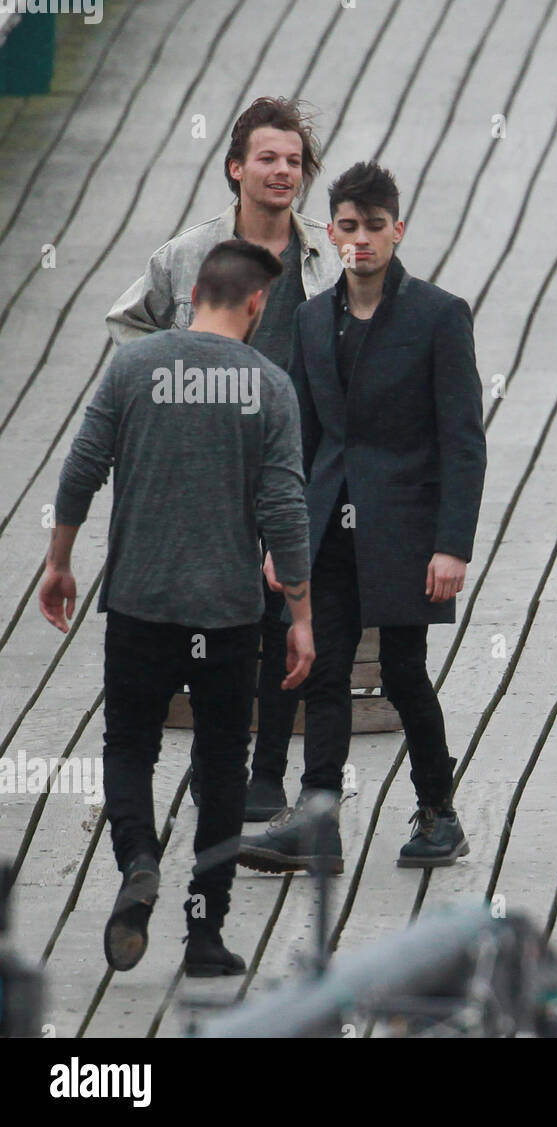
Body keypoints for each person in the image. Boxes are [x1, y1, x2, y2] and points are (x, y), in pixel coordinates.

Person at [44, 240, 315, 976]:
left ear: (196, 291)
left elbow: (80, 469)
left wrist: (60, 562)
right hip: (225, 613)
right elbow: (285, 506)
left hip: (139, 600)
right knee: (222, 765)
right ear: (256, 302)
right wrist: (300, 614)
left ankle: (138, 857)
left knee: (129, 744)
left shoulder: (133, 367)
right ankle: (204, 935)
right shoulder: (268, 386)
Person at [238, 161, 487, 875]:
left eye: (375, 227)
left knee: (405, 670)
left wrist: (452, 544)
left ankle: (438, 811)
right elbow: (302, 441)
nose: (361, 240)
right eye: (347, 227)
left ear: (396, 230)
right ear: (334, 232)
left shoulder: (440, 315)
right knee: (322, 666)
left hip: (406, 528)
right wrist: (284, 537)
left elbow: (463, 439)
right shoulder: (314, 319)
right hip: (325, 527)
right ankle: (318, 818)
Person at [106, 96, 340, 822]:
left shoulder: (327, 260)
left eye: (293, 162)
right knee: (219, 619)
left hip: (292, 460)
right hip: (204, 467)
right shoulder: (184, 257)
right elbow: (127, 323)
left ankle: (265, 771)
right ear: (236, 167)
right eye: (266, 158)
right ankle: (218, 769)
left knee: (280, 614)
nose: (281, 171)